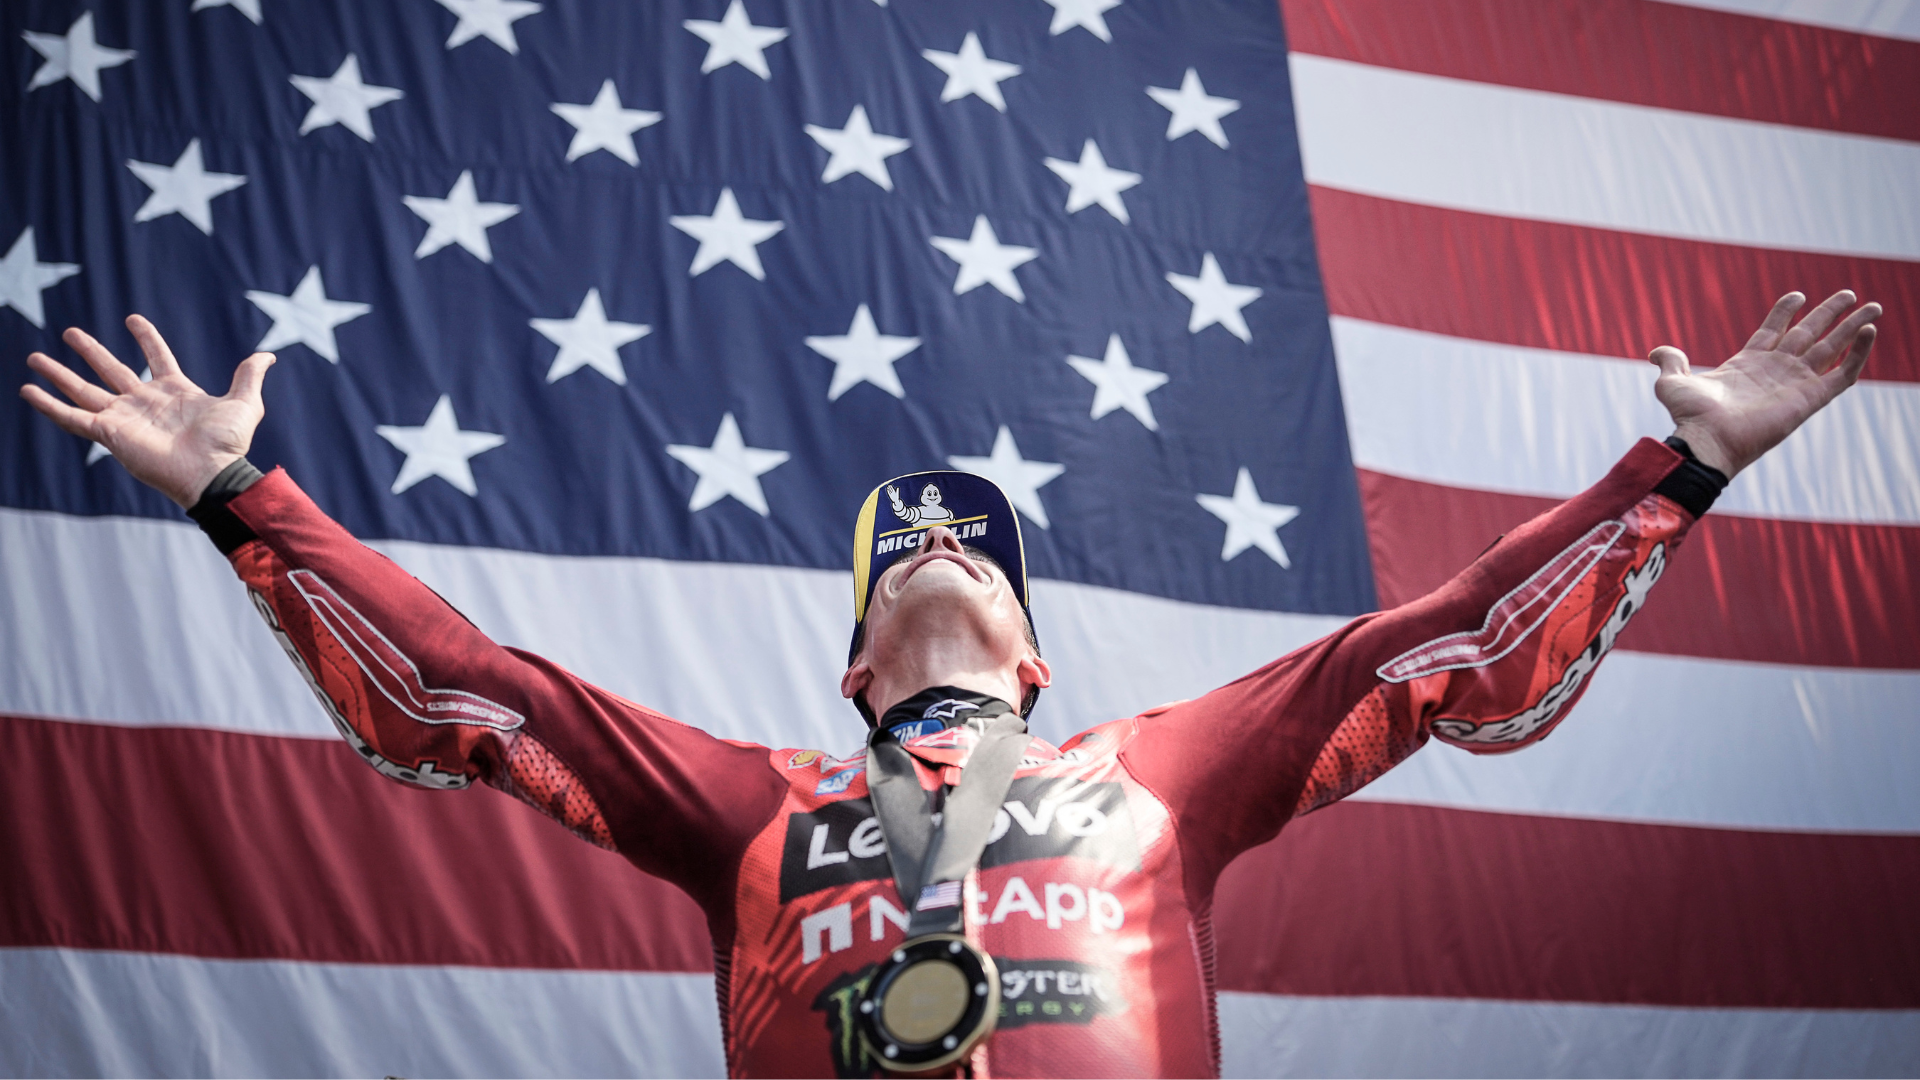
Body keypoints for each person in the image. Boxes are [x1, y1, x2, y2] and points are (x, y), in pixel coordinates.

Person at [20, 291, 1880, 1077]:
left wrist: (1683, 468)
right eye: (899, 537)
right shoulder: (755, 801)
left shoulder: (1162, 770)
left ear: (1036, 652)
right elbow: (472, 694)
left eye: (971, 539)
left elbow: (1435, 650)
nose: (932, 538)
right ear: (849, 662)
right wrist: (241, 494)